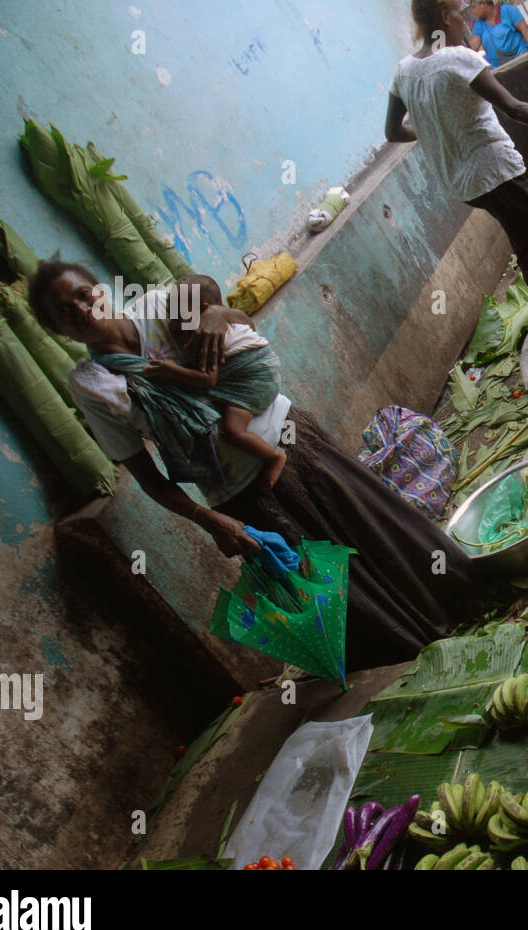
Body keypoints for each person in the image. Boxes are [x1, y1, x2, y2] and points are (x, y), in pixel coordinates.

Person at [28, 260, 486, 669]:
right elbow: (148, 477)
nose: (82, 310)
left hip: (291, 439)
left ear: (100, 290)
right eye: (64, 312)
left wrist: (214, 312)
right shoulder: (93, 384)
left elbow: (238, 318)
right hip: (242, 496)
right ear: (58, 331)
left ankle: (465, 598)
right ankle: (415, 651)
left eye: (83, 295)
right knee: (335, 583)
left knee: (375, 528)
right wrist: (211, 521)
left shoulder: (156, 307)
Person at [388, 0, 528, 316]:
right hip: (495, 172)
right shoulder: (459, 58)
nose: (466, 23)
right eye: (461, 15)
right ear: (445, 17)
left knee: (523, 230)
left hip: (463, 185)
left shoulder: (404, 71)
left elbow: (393, 132)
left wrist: (433, 128)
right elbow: (515, 108)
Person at [144, 274, 287, 489]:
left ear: (205, 310)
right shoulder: (228, 322)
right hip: (263, 368)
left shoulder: (208, 339)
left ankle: (275, 457)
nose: (173, 326)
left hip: (252, 379)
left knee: (233, 431)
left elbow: (207, 380)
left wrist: (172, 371)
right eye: (170, 317)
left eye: (178, 317)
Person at [468, 0, 528, 68]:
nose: (473, 12)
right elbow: (473, 46)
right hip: (501, 68)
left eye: (474, 7)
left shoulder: (507, 10)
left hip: (523, 58)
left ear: (483, 4)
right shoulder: (479, 24)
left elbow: (525, 29)